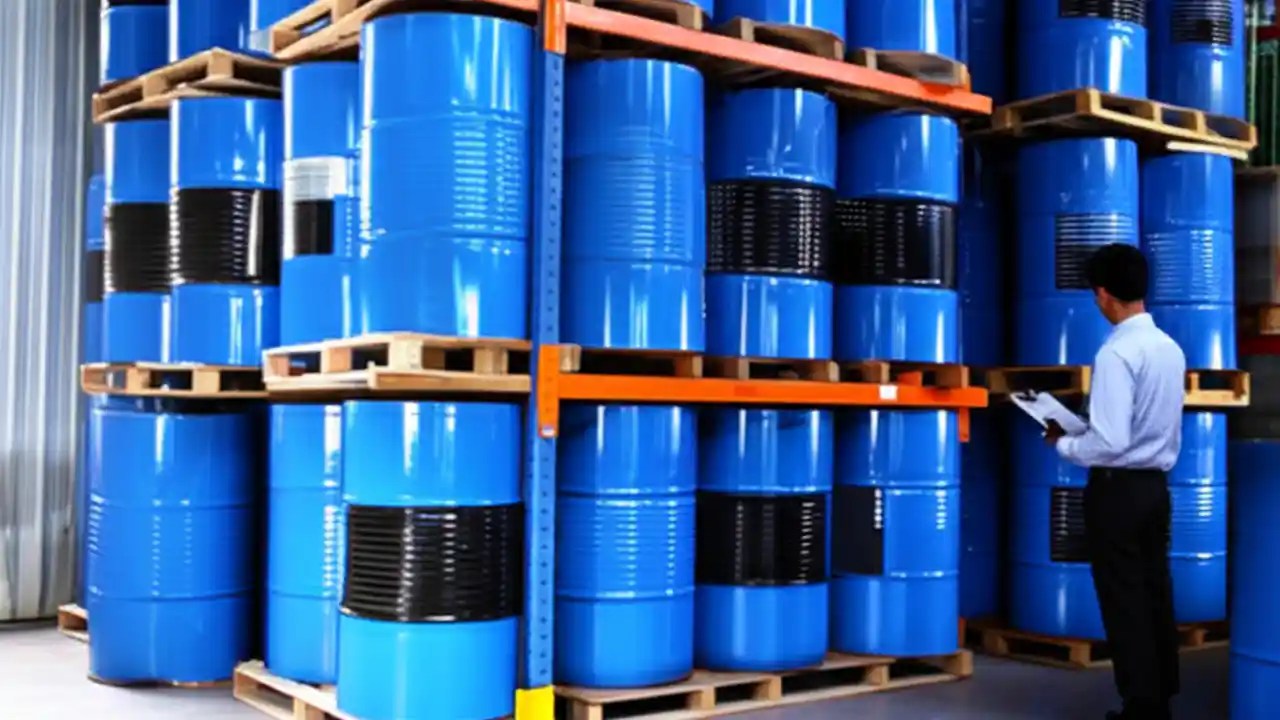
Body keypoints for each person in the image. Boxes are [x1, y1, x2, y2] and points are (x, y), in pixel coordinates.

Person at [1044, 243, 1185, 720]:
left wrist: (1064, 444)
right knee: (1153, 590)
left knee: (1123, 597)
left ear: (1102, 294)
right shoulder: (1169, 349)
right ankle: (1160, 695)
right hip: (1155, 489)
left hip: (1117, 491)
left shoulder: (1116, 353)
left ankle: (1139, 706)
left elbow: (1109, 440)